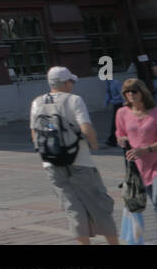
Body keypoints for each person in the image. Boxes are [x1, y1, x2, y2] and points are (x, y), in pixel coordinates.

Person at [30, 66, 118, 244]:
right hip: (80, 162)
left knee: (72, 208)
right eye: (71, 81)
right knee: (99, 205)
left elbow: (34, 132)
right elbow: (85, 127)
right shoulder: (74, 100)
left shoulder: (37, 102)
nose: (72, 84)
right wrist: (94, 144)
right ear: (65, 82)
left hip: (51, 164)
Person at [118, 78, 157, 207]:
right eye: (126, 91)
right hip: (138, 166)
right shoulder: (122, 112)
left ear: (142, 92)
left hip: (155, 163)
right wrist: (121, 139)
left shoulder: (155, 112)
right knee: (153, 202)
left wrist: (144, 150)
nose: (130, 94)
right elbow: (120, 133)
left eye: (134, 91)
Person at [105, 75, 125, 147]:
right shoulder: (107, 83)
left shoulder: (116, 83)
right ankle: (112, 139)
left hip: (119, 104)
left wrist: (114, 99)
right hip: (115, 105)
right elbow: (107, 93)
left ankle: (112, 139)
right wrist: (106, 102)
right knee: (116, 122)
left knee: (116, 122)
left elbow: (121, 93)